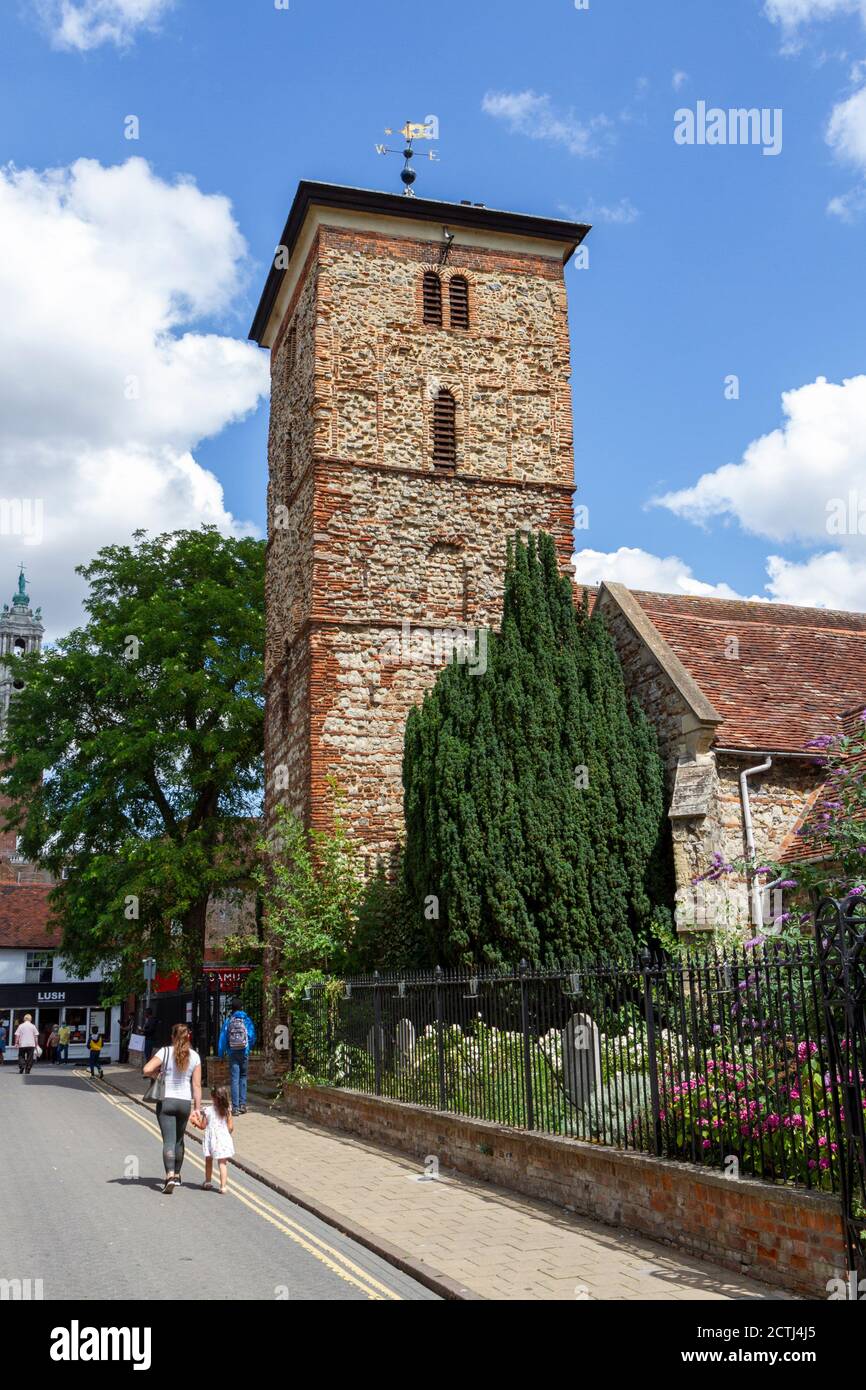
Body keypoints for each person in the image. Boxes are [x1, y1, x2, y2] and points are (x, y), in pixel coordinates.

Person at [142, 1023, 202, 1195]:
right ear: (188, 1037)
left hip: (166, 1101)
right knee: (179, 1140)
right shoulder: (195, 1056)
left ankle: (169, 1176)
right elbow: (197, 1086)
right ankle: (176, 1175)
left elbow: (146, 1069)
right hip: (184, 1103)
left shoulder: (165, 1052)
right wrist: (197, 1109)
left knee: (168, 1140)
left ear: (172, 1037)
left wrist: (157, 1075)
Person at [217, 1001, 257, 1115]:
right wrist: (248, 1047)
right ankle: (243, 1105)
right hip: (244, 1052)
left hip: (232, 1052)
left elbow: (223, 1038)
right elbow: (252, 1036)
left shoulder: (229, 1021)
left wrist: (221, 1053)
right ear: (241, 1008)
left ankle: (235, 1108)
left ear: (233, 1009)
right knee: (243, 1077)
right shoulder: (246, 1020)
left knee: (234, 1079)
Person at [201, 1086, 235, 1195]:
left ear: (213, 1097)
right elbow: (231, 1127)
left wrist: (194, 1121)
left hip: (211, 1140)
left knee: (209, 1160)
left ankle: (208, 1182)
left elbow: (202, 1126)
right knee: (222, 1163)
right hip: (223, 1138)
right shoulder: (227, 1110)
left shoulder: (208, 1110)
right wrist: (224, 1133)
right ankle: (223, 1187)